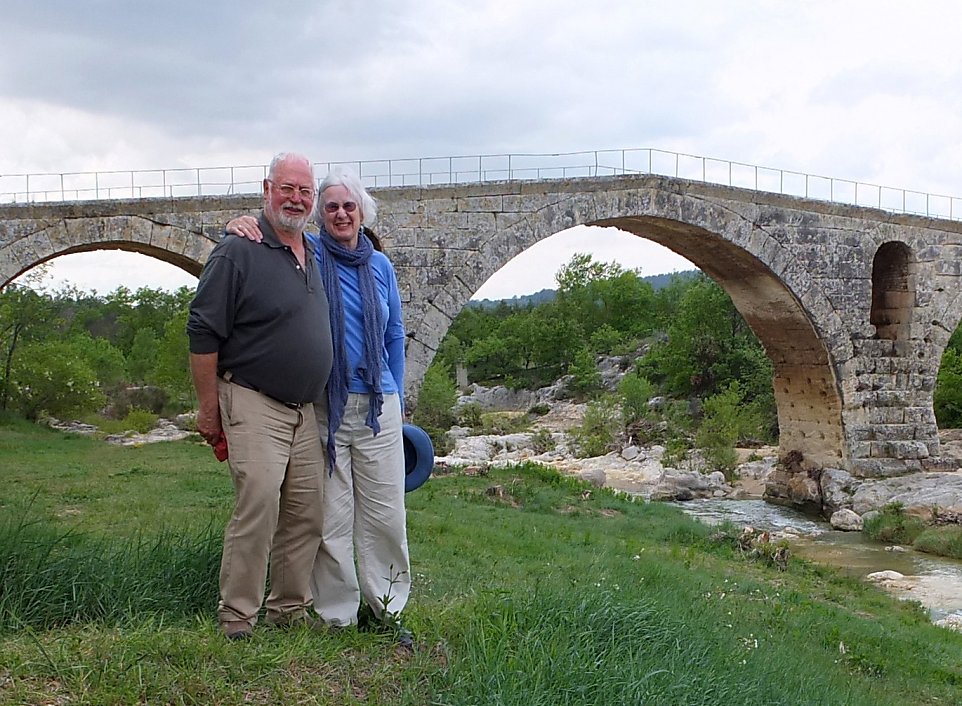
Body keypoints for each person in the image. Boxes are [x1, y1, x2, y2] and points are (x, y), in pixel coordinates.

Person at [227, 167, 412, 649]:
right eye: (330, 206)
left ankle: (387, 608)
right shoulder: (305, 256)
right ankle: (336, 615)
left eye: (349, 206)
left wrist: (396, 393)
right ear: (319, 213)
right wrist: (239, 223)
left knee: (386, 514)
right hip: (325, 406)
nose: (341, 213)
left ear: (362, 211)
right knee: (330, 518)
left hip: (378, 404)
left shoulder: (381, 267)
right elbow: (271, 234)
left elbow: (393, 334)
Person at [187, 152, 333, 641]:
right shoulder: (238, 249)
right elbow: (203, 331)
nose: (296, 198)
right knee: (258, 505)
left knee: (307, 512)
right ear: (267, 188)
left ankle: (289, 612)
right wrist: (210, 411)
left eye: (305, 191)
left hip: (303, 410)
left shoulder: (314, 251)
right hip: (252, 398)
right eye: (287, 188)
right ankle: (237, 620)